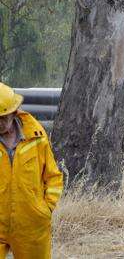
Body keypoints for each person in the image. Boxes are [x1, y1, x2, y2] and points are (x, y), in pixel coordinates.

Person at [0, 82, 63, 259]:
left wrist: (46, 208)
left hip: (31, 224)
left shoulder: (36, 137)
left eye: (3, 117)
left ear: (14, 112)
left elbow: (53, 176)